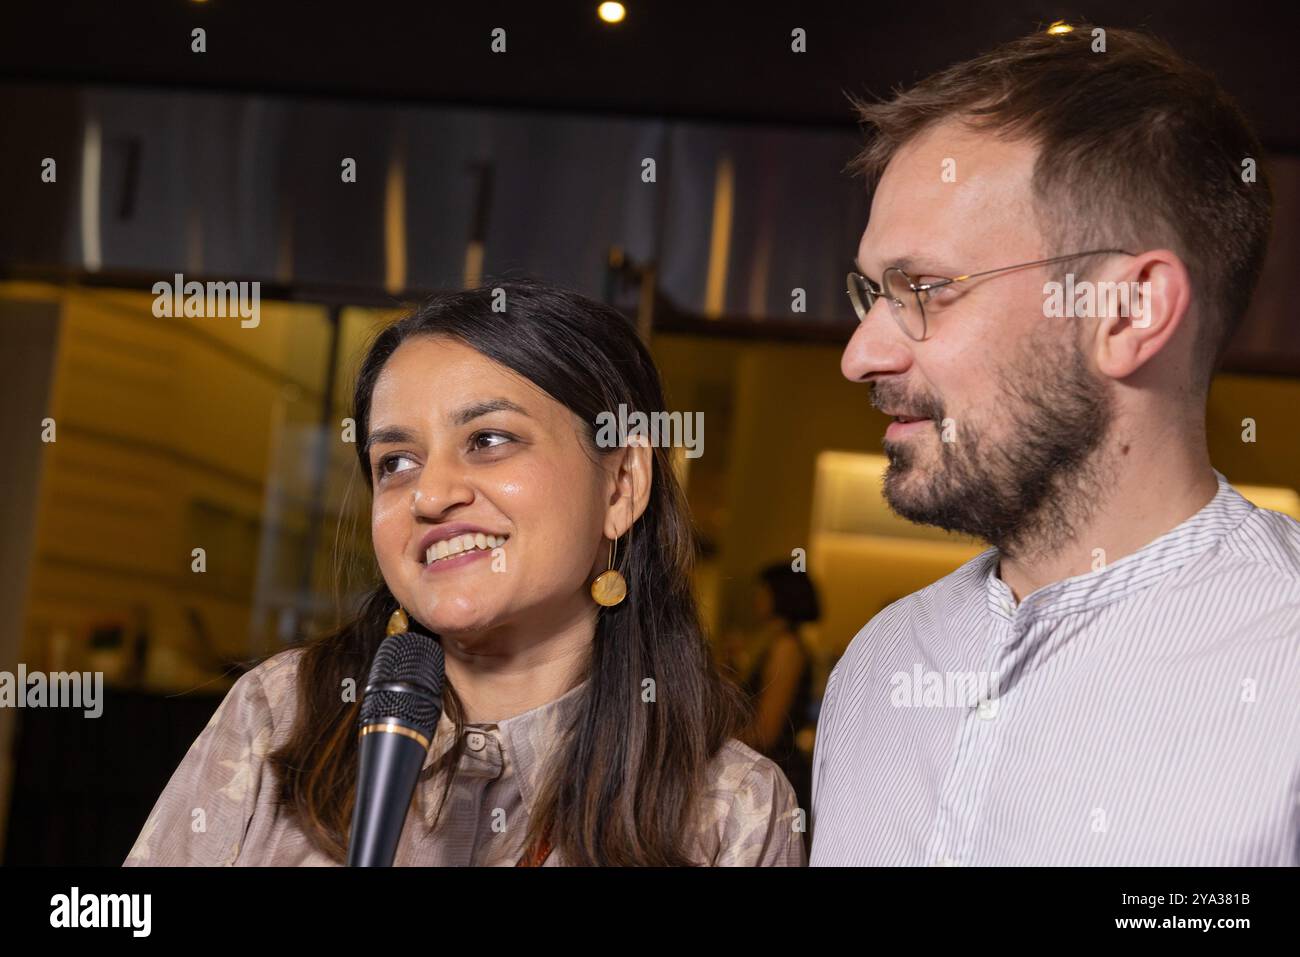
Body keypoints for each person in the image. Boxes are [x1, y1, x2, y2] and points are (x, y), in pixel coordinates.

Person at [811, 26, 1299, 865]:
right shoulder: (878, 664)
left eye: (923, 288)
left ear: (1130, 313)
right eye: (870, 292)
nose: (861, 354)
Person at [126, 279, 804, 866]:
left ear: (621, 484)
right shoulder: (280, 714)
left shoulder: (734, 810)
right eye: (396, 461)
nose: (429, 494)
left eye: (488, 440)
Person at [737, 564, 818, 819]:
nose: (756, 600)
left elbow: (767, 731)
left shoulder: (786, 648)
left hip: (778, 771)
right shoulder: (772, 642)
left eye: (762, 592)